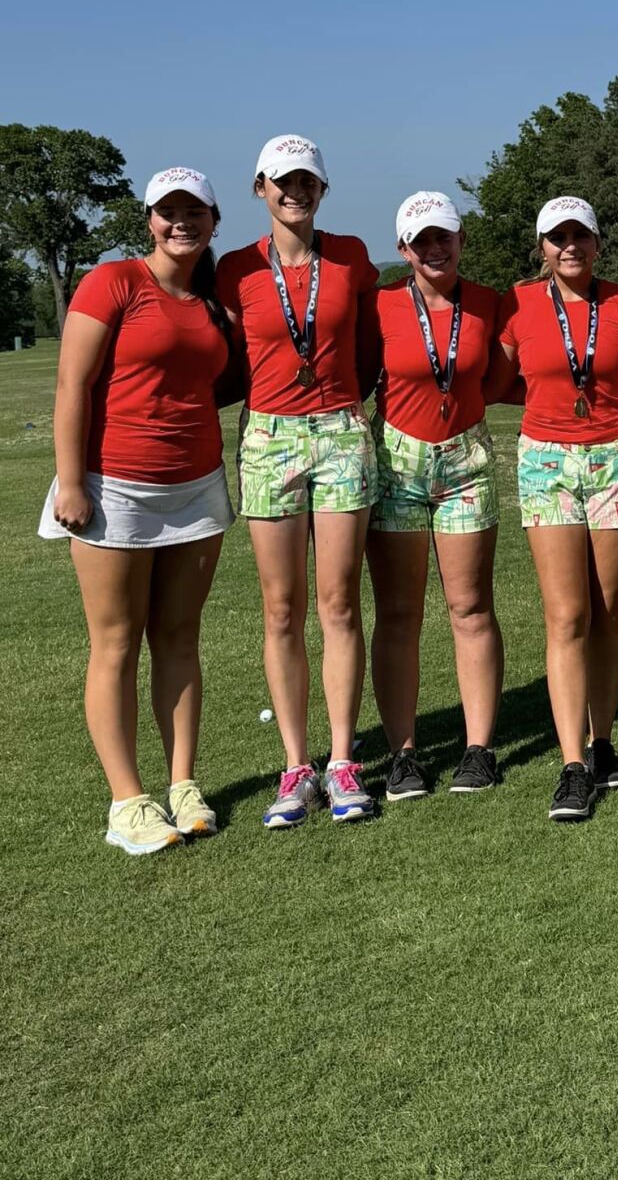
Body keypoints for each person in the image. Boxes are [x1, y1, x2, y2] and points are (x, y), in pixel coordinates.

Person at [39, 167, 235, 854]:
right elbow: (73, 382)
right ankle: (128, 800)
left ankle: (183, 786)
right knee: (116, 644)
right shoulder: (114, 281)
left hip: (197, 486)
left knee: (179, 638)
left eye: (194, 211)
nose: (181, 222)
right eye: (167, 211)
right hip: (113, 486)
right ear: (149, 218)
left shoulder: (212, 301)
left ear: (214, 219)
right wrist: (70, 481)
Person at [216, 135, 380, 829]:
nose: (295, 191)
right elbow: (219, 357)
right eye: (282, 181)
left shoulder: (352, 257)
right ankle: (295, 766)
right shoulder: (232, 269)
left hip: (341, 431)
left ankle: (342, 760)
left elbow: (369, 350)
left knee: (338, 601)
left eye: (307, 181)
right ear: (260, 188)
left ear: (322, 189)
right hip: (268, 436)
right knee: (280, 608)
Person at [498, 195, 618, 822]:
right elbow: (499, 381)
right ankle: (571, 765)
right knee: (566, 615)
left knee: (606, 610)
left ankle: (603, 743)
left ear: (597, 243)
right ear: (542, 247)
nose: (570, 247)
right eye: (557, 237)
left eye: (580, 236)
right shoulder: (519, 304)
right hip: (545, 460)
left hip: (616, 456)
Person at [366, 191, 507, 800]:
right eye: (420, 240)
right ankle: (403, 754)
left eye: (443, 236)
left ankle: (478, 749)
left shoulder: (489, 304)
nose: (434, 248)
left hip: (467, 460)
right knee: (399, 613)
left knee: (470, 608)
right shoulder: (377, 308)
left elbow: (502, 379)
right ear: (403, 249)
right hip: (396, 460)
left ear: (461, 239)